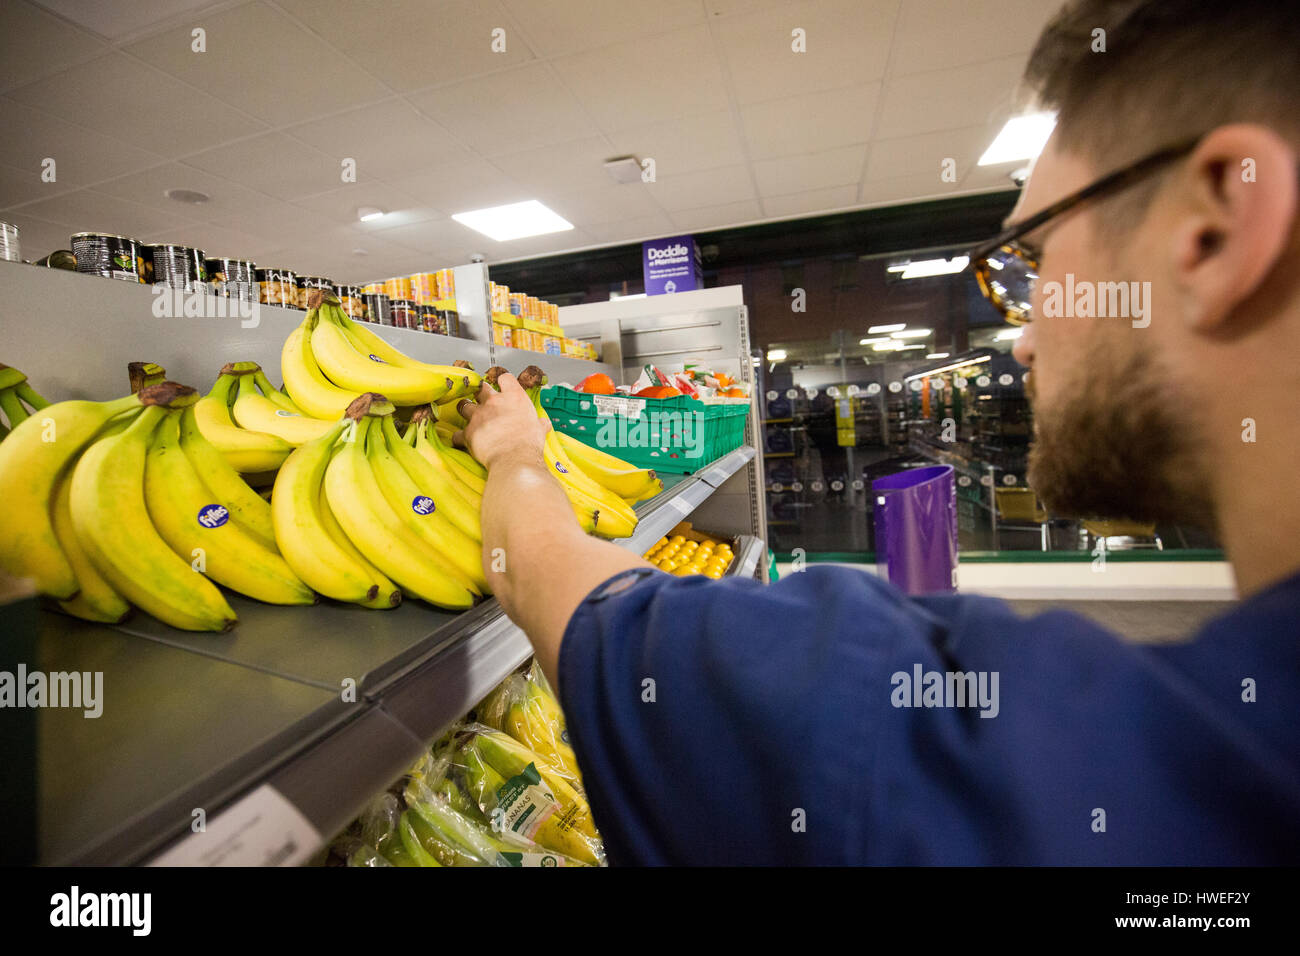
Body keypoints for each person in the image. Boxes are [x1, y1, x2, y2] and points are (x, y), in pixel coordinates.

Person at [462, 0, 1300, 864]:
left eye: (1037, 260)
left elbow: (565, 593)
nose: (1022, 333)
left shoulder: (948, 747)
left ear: (1215, 229)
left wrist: (518, 449)